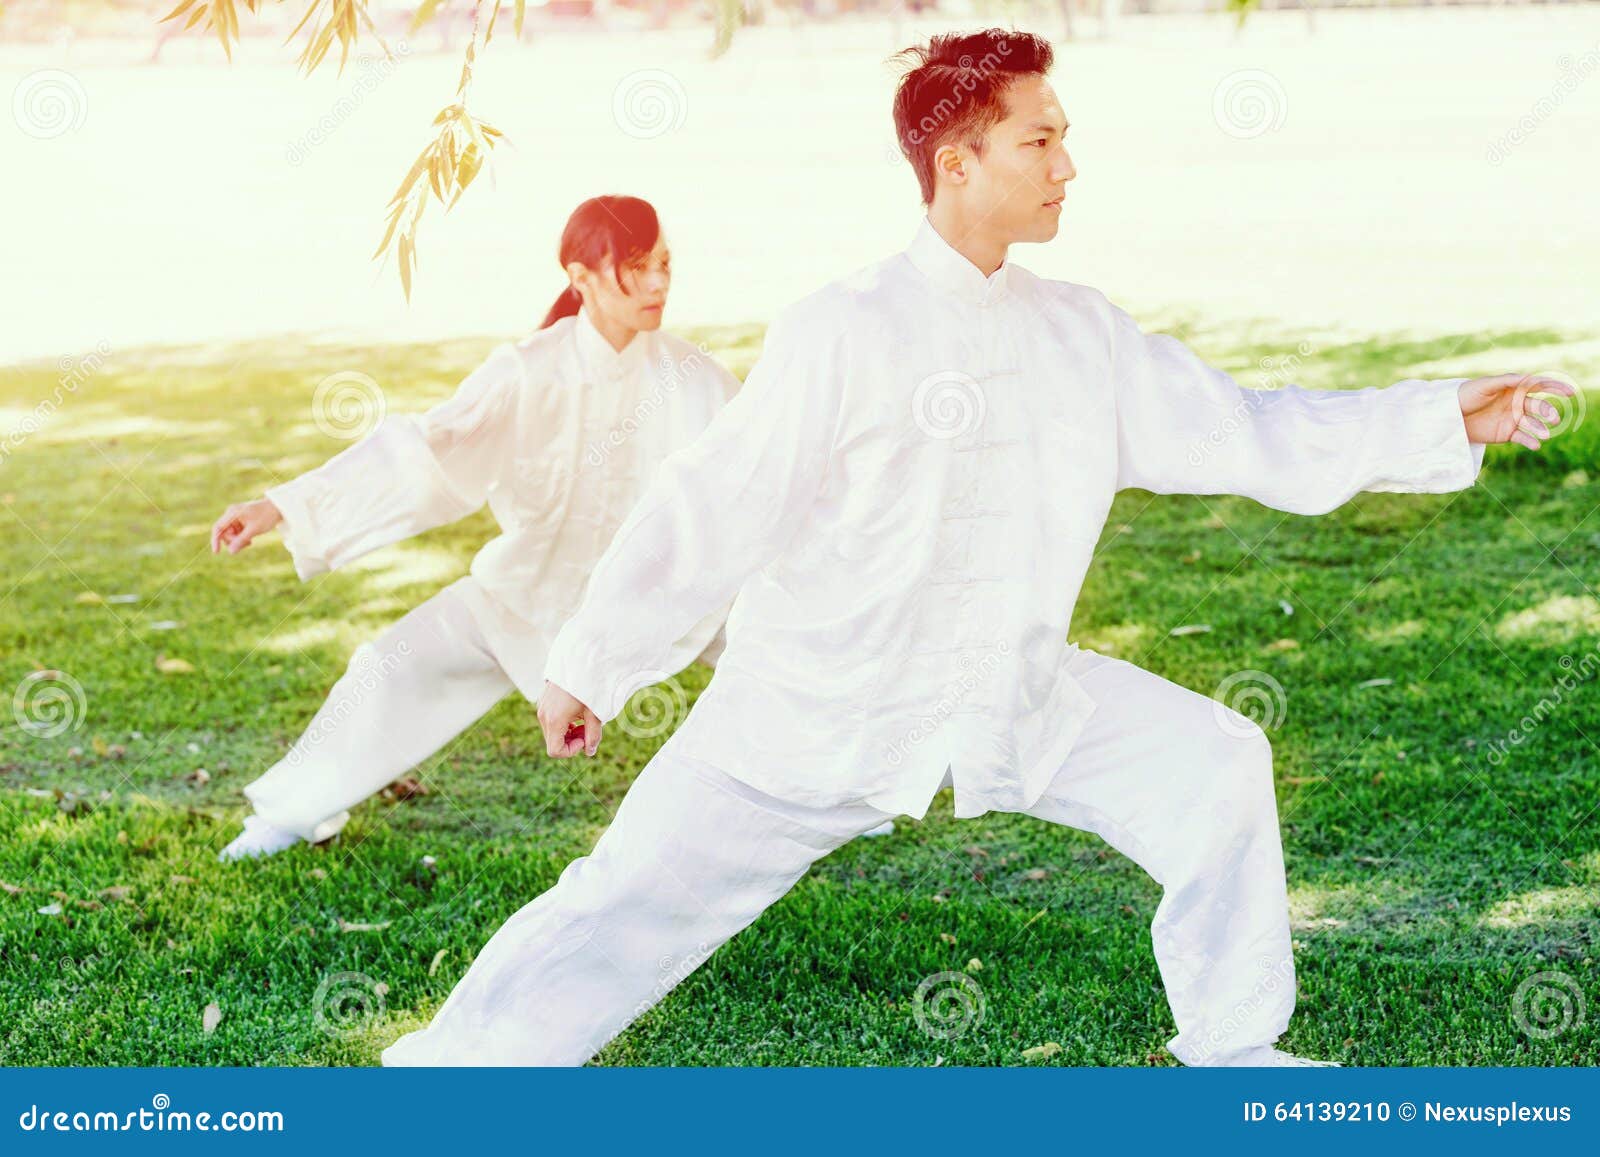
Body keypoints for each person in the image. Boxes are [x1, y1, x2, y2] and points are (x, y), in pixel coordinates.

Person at [379, 31, 1574, 1068]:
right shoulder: (841, 328)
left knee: (1215, 764)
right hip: (811, 708)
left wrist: (1438, 414)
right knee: (625, 900)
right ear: (956, 164)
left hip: (1012, 694)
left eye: (1062, 138)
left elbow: (1244, 425)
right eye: (1038, 142)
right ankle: (447, 1076)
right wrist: (592, 657)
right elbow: (716, 499)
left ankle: (1234, 1048)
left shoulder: (1078, 332)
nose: (1066, 165)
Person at [208, 196, 895, 860]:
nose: (658, 282)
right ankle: (290, 815)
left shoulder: (690, 376)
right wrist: (285, 506)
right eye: (636, 266)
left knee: (781, 639)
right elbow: (426, 451)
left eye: (664, 263)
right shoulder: (525, 371)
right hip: (524, 594)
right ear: (581, 276)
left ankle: (845, 789)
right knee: (386, 673)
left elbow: (762, 464)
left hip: (656, 589)